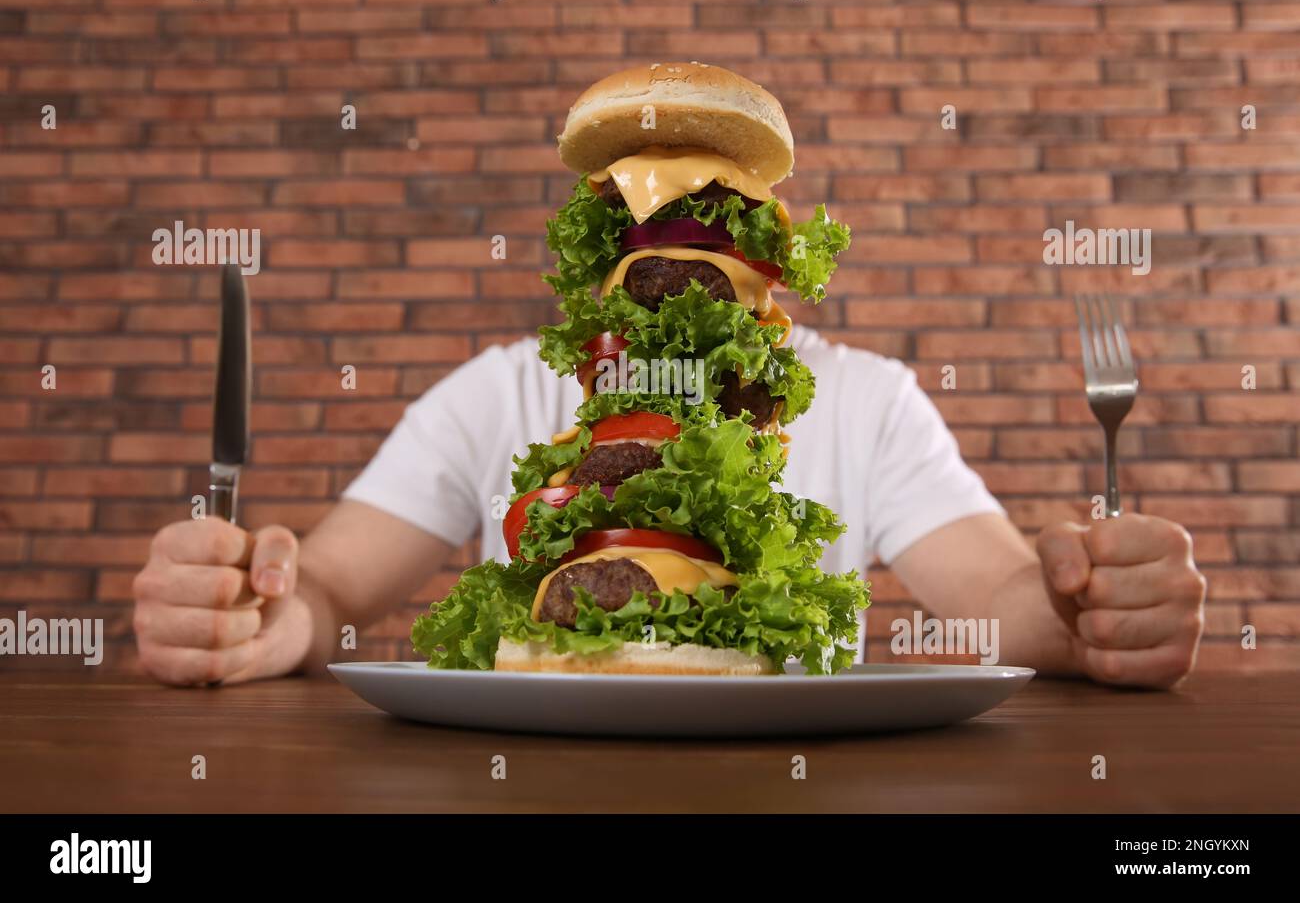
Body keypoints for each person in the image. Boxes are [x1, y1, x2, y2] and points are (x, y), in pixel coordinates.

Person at [131, 324, 1207, 689]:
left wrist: (1083, 607)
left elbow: (1001, 595)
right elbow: (326, 584)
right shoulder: (499, 390)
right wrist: (259, 607)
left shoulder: (870, 400)